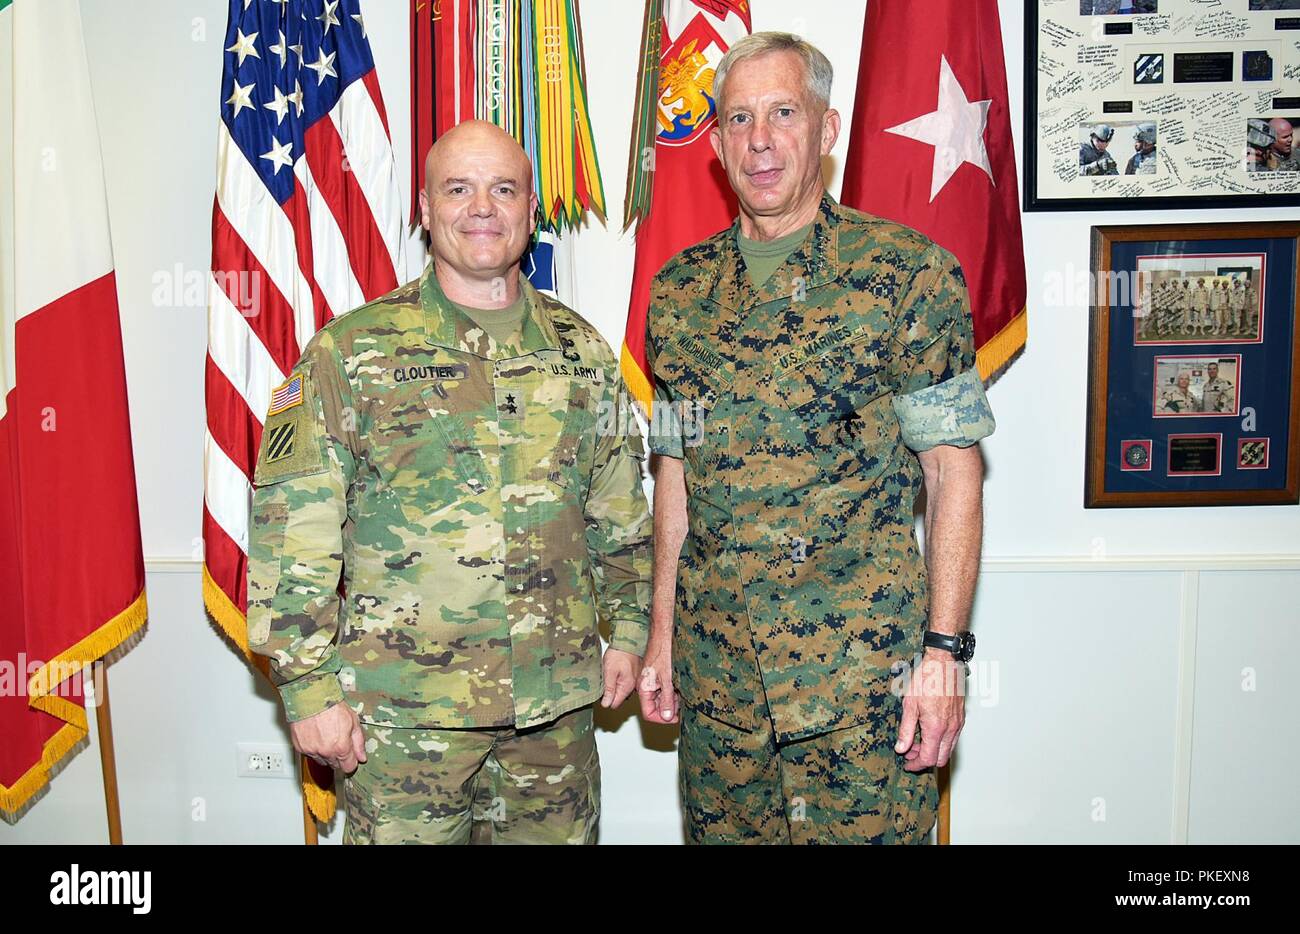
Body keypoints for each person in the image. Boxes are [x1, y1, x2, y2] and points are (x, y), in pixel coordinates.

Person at [245, 121, 653, 845]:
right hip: (405, 726)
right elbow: (292, 529)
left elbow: (618, 511)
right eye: (458, 189)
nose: (483, 208)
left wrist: (627, 631)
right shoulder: (352, 353)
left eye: (504, 189)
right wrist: (307, 691)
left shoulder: (582, 352)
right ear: (427, 211)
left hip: (552, 725)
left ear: (532, 209)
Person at [639, 32, 995, 844]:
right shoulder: (678, 293)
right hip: (721, 682)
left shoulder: (908, 274)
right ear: (717, 143)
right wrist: (661, 632)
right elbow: (674, 477)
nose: (760, 140)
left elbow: (952, 472)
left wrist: (943, 654)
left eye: (783, 113)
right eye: (738, 119)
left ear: (827, 131)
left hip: (862, 687)